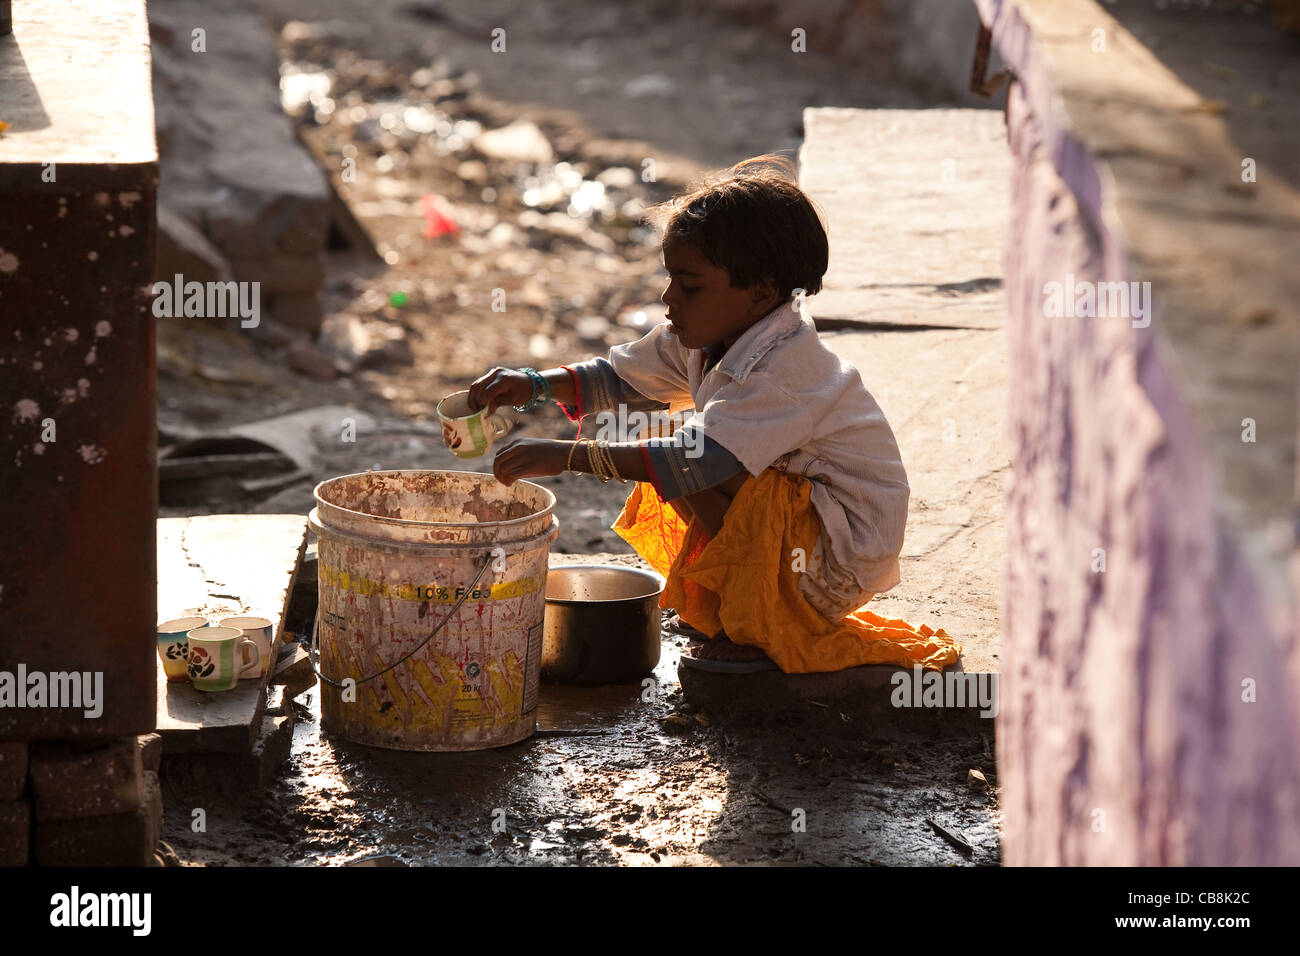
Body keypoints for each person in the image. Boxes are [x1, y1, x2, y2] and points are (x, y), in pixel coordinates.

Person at [468, 154, 961, 674]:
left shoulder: (783, 371)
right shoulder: (711, 335)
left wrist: (568, 456)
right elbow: (621, 378)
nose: (667, 298)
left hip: (834, 560)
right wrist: (534, 384)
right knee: (672, 455)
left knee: (681, 457)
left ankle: (759, 619)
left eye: (690, 285)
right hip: (803, 527)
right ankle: (736, 603)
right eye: (671, 280)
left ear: (762, 293)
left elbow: (694, 464)